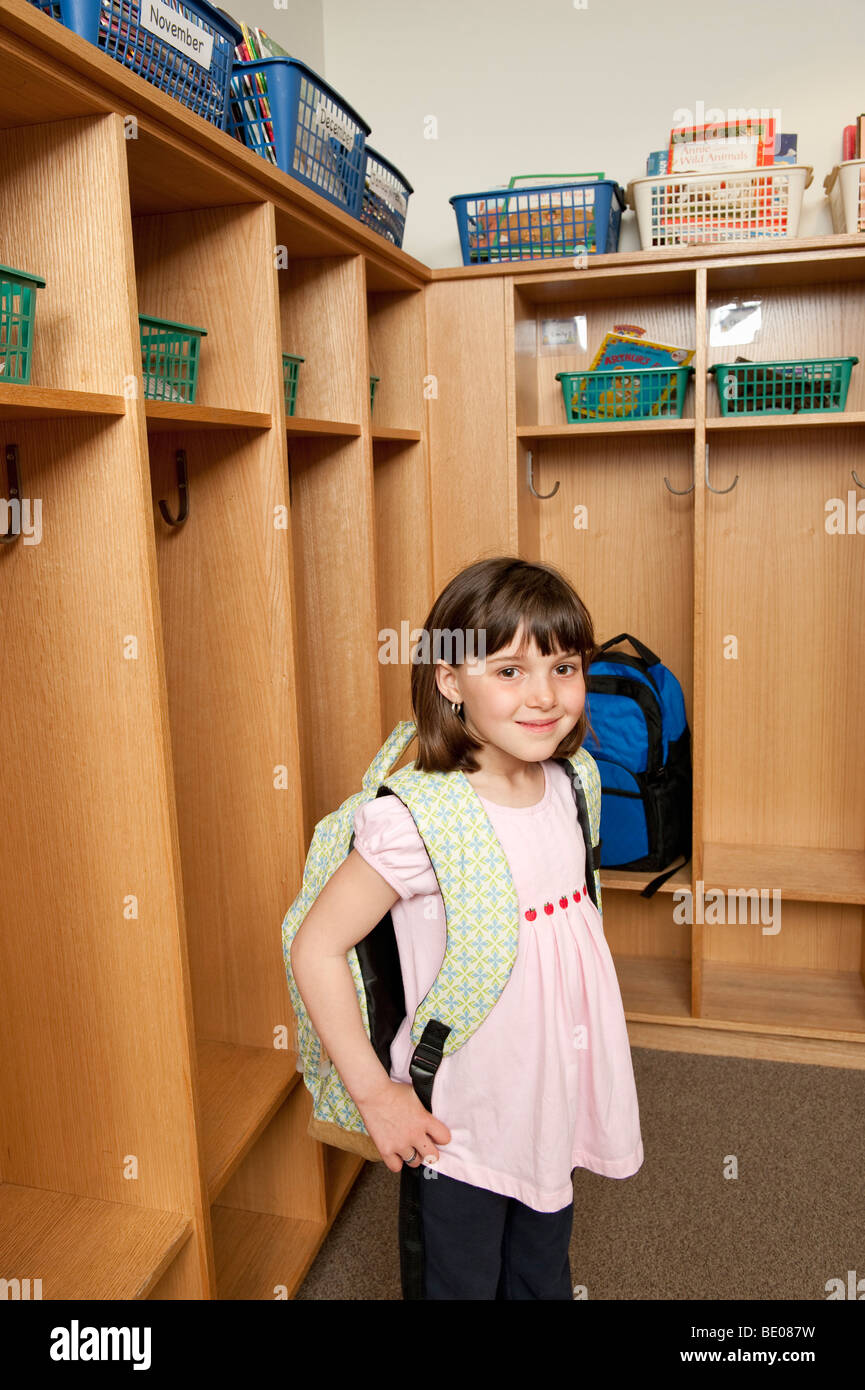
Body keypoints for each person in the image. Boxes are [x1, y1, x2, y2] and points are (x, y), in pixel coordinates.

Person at [290, 555, 643, 1299]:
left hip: (546, 1093)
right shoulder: (417, 819)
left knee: (541, 1271)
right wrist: (376, 1095)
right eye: (508, 671)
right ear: (450, 681)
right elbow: (316, 946)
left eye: (564, 666)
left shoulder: (570, 782)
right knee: (460, 1283)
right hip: (459, 1119)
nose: (544, 696)